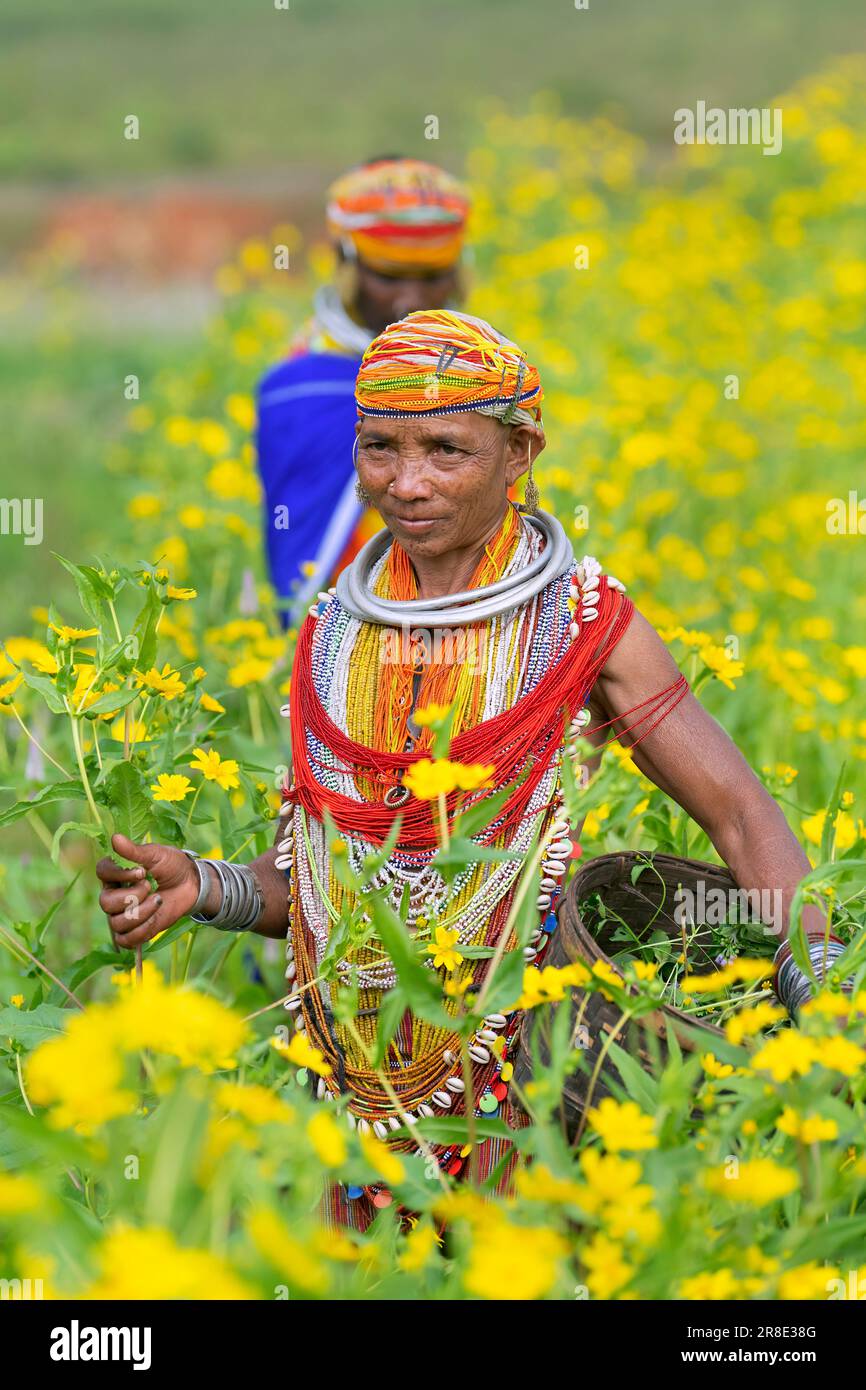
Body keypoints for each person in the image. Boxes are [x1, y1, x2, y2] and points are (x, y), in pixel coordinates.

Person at [97, 309, 829, 1234]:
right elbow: (321, 889)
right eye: (380, 449)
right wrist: (203, 888)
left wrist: (824, 988)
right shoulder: (333, 636)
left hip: (531, 1085)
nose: (406, 484)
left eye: (447, 449)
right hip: (356, 1105)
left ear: (522, 453)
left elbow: (739, 815)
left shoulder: (581, 622)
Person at [256, 157, 470, 626]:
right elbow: (303, 547)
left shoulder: (480, 369)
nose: (411, 300)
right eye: (388, 276)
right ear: (345, 263)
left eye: (434, 275)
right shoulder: (303, 385)